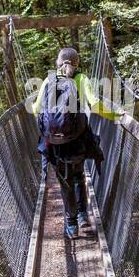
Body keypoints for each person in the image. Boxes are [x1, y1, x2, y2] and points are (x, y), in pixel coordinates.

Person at [30, 47, 120, 238]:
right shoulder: (82, 78)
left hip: (54, 143)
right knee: (78, 175)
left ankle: (71, 225)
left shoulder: (48, 79)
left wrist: (51, 130)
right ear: (77, 63)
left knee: (65, 181)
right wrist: (116, 115)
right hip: (77, 140)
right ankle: (82, 217)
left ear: (58, 63)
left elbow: (37, 109)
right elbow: (94, 104)